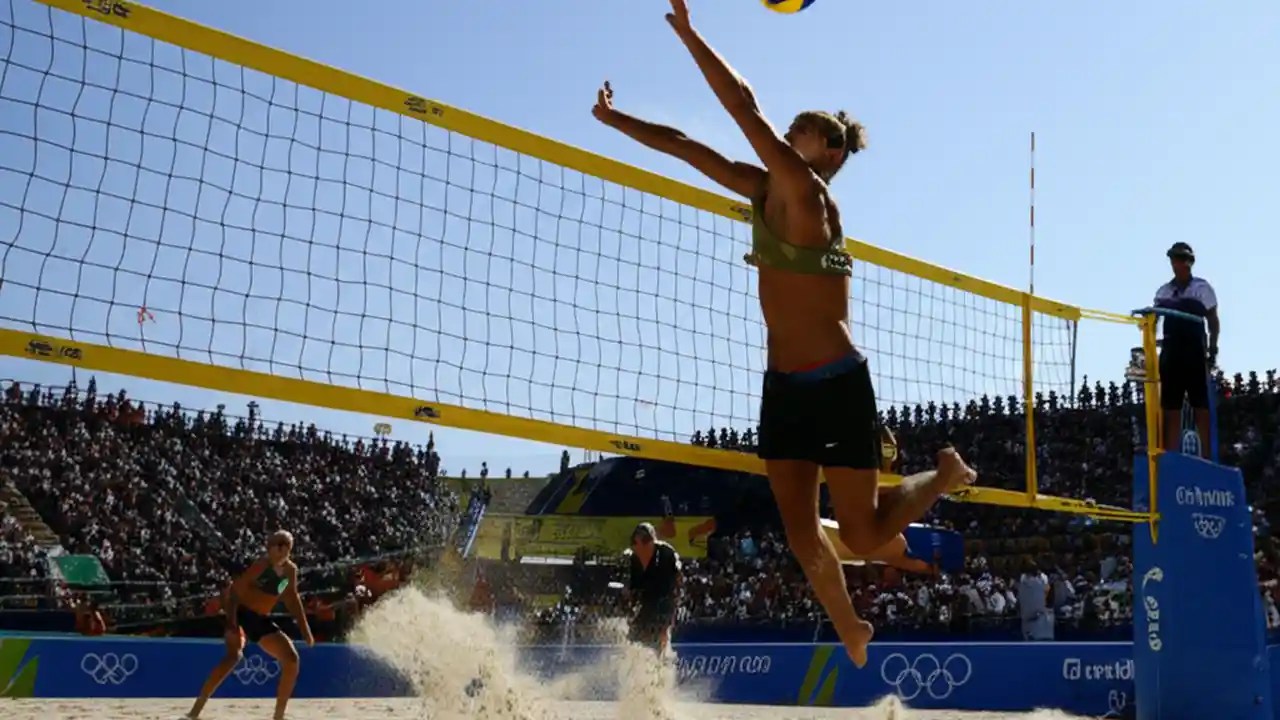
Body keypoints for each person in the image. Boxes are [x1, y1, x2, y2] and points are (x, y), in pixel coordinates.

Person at [592, 0, 976, 667]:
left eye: (801, 130)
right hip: (783, 389)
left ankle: (940, 475)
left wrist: (689, 33)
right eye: (790, 126)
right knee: (802, 535)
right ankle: (850, 625)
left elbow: (742, 107)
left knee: (859, 530)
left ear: (826, 153)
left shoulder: (809, 193)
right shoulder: (765, 188)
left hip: (837, 384)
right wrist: (613, 118)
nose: (787, 131)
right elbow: (688, 149)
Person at [186, 531, 314, 720]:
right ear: (269, 547)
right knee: (233, 657)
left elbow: (292, 599)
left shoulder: (290, 570)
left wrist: (305, 630)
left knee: (291, 659)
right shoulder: (260, 566)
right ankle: (195, 712)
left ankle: (279, 716)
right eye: (278, 545)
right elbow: (234, 595)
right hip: (239, 611)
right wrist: (232, 624)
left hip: (260, 618)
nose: (282, 549)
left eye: (286, 546)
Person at [1152, 241, 1219, 457]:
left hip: (1193, 348)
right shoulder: (1164, 291)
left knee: (1200, 403)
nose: (1180, 263)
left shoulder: (1202, 288)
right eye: (1176, 259)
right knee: (1171, 406)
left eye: (1184, 259)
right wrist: (1152, 347)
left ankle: (1208, 456)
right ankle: (1171, 457)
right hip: (1171, 349)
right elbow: (1153, 322)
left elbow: (1213, 320)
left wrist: (1213, 349)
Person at [623, 522, 682, 655]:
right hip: (648, 600)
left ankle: (660, 662)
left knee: (660, 635)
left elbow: (678, 577)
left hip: (665, 599)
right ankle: (638, 663)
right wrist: (631, 604)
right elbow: (633, 587)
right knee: (634, 635)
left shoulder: (666, 551)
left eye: (644, 539)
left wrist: (674, 604)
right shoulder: (635, 558)